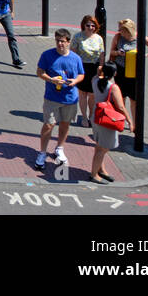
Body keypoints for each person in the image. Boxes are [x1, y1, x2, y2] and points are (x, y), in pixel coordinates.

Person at [34, 28, 85, 171]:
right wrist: (51, 80)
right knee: (48, 125)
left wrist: (75, 81)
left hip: (70, 98)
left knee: (65, 124)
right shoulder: (47, 55)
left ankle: (59, 148)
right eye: (57, 41)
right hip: (52, 98)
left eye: (62, 41)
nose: (59, 44)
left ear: (68, 42)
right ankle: (42, 152)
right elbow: (39, 72)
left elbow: (81, 74)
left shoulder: (75, 58)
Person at [108, 18, 148, 127]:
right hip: (120, 70)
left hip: (134, 72)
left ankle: (135, 124)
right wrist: (118, 52)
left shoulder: (139, 37)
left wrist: (144, 56)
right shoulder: (118, 37)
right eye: (120, 29)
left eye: (122, 30)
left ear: (129, 30)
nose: (120, 32)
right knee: (120, 98)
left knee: (134, 100)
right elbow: (111, 52)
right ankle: (120, 121)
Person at [89, 62, 127, 183]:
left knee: (99, 144)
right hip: (107, 119)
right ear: (115, 73)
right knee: (103, 148)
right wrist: (130, 121)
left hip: (96, 116)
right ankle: (94, 174)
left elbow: (98, 72)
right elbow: (121, 107)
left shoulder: (94, 81)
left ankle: (101, 169)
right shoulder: (113, 87)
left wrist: (101, 70)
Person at [71, 15, 105, 125]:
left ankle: (91, 115)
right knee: (82, 93)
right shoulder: (78, 37)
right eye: (88, 25)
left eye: (93, 25)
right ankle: (84, 118)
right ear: (83, 25)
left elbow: (102, 54)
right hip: (82, 67)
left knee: (92, 94)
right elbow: (73, 53)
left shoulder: (99, 38)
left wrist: (101, 66)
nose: (90, 27)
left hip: (94, 68)